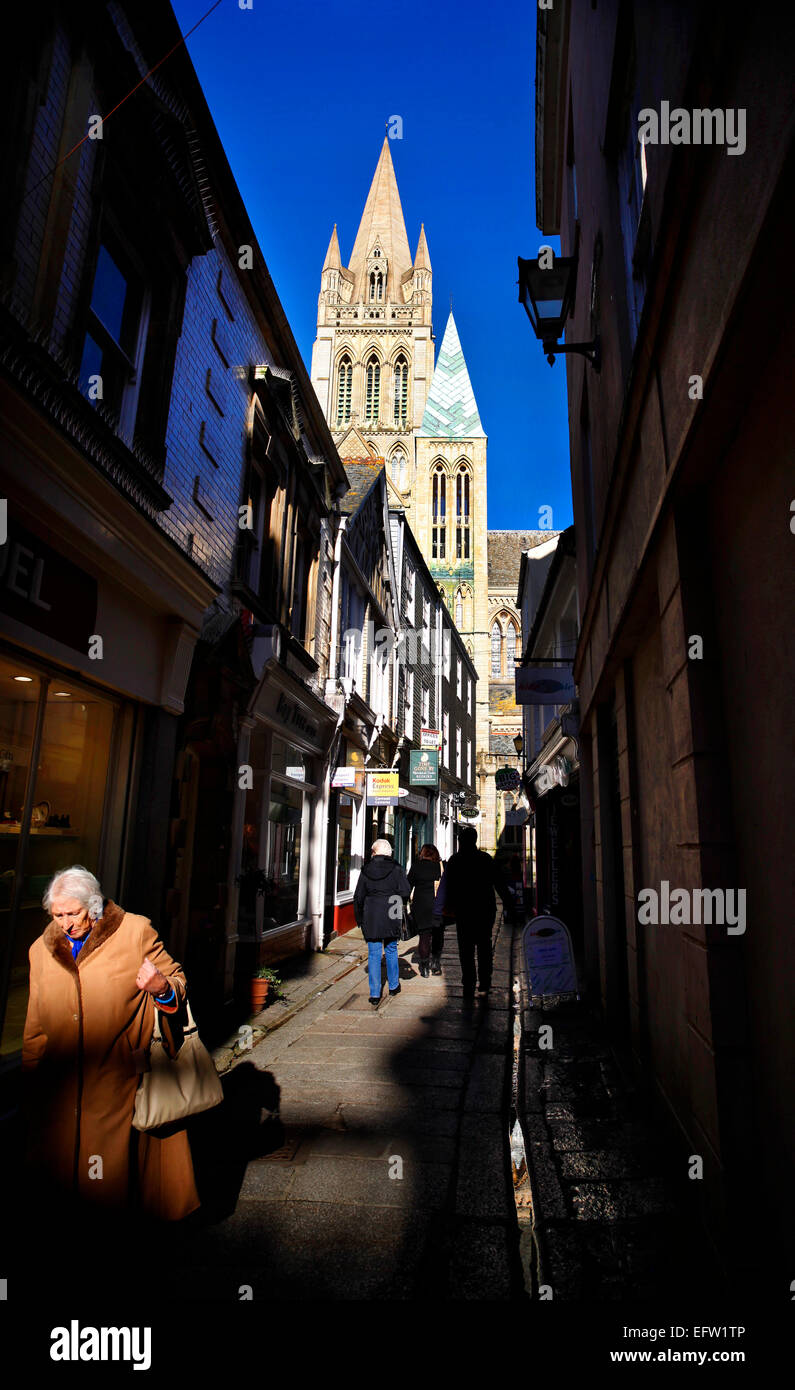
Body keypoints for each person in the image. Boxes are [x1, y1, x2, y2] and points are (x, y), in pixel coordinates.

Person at [22, 865, 201, 1223]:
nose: (65, 923)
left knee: (112, 1180)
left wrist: (162, 988)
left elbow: (177, 982)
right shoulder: (40, 951)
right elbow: (35, 1023)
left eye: (72, 913)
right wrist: (32, 1079)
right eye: (57, 915)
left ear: (93, 906)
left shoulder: (135, 931)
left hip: (120, 1080)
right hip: (63, 1085)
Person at [442, 826, 504, 998]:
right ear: (475, 840)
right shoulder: (485, 859)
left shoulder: (455, 860)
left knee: (466, 948)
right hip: (485, 910)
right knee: (484, 946)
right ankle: (484, 981)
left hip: (464, 911)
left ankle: (468, 982)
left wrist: (445, 907)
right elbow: (498, 882)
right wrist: (509, 903)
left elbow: (448, 887)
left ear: (461, 841)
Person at [353, 839, 411, 1006]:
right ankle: (393, 986)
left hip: (371, 914)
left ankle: (375, 993)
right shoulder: (397, 869)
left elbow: (358, 896)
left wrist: (360, 918)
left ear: (374, 852)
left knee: (374, 953)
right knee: (391, 949)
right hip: (392, 912)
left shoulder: (366, 870)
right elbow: (405, 891)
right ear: (389, 853)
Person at [407, 843, 444, 977]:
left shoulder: (416, 866)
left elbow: (408, 886)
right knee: (438, 935)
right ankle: (435, 963)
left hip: (420, 905)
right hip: (437, 905)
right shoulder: (440, 866)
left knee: (424, 936)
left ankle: (424, 966)